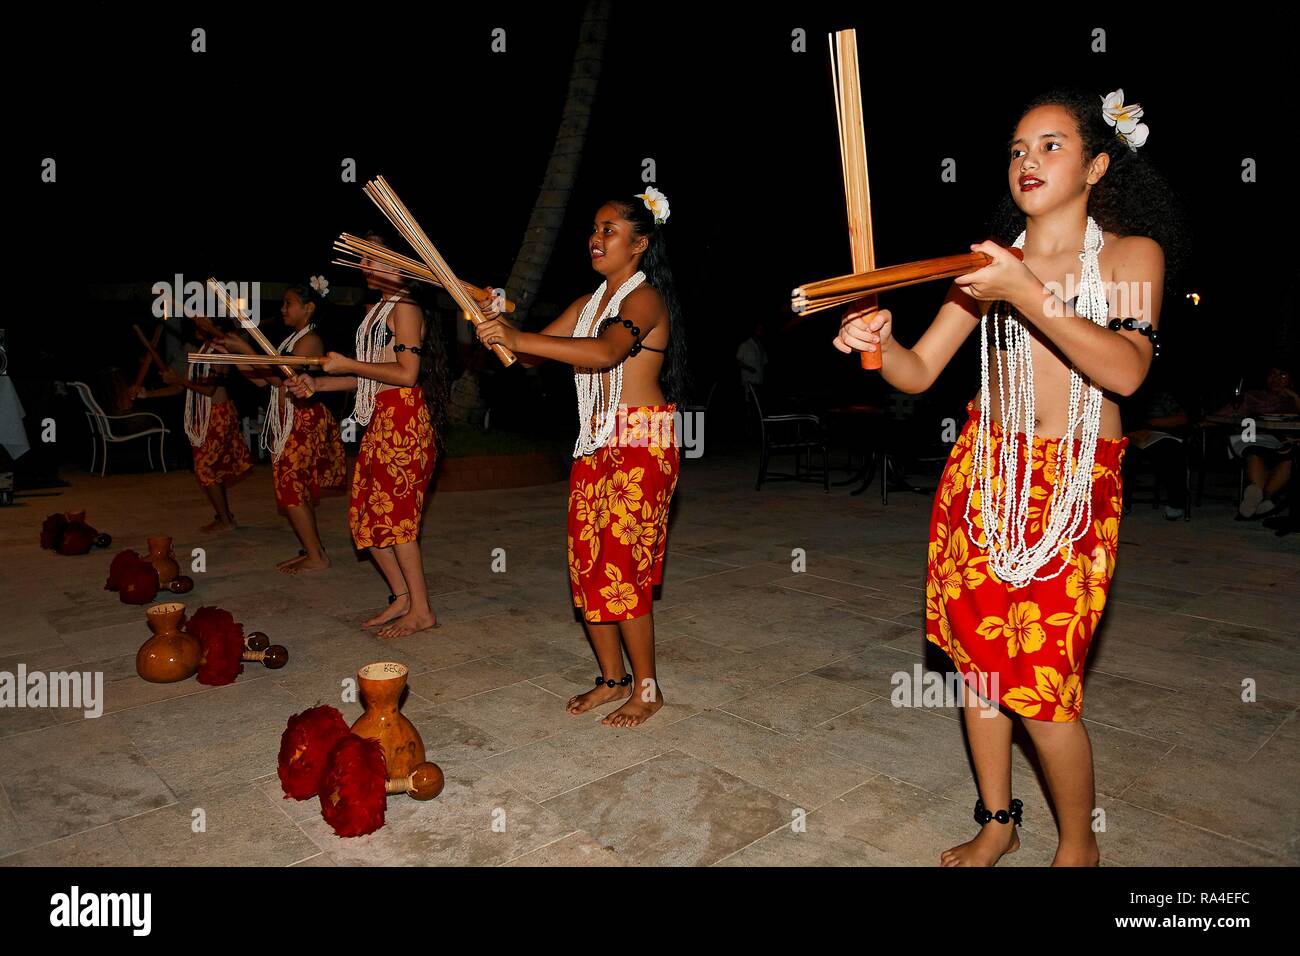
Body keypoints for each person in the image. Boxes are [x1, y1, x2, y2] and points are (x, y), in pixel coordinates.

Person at [836, 88, 1179, 866]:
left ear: (1097, 164)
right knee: (981, 670)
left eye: (1051, 146)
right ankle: (999, 819)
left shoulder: (1131, 256)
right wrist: (877, 341)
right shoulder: (986, 265)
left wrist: (1025, 290)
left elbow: (1126, 371)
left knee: (1045, 687)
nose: (1028, 161)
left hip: (1075, 483)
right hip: (983, 476)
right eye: (1019, 149)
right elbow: (919, 371)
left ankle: (1077, 845)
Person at [474, 188, 688, 728]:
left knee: (623, 568)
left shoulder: (645, 299)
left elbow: (606, 352)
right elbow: (525, 356)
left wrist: (520, 336)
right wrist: (497, 326)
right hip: (594, 441)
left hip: (640, 443)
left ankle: (647, 688)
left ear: (639, 243)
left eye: (609, 230)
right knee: (589, 566)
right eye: (594, 229)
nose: (596, 238)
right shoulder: (588, 303)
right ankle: (612, 678)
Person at [286, 239, 451, 638]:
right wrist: (319, 383)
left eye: (370, 257)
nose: (362, 264)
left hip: (404, 422)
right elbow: (370, 374)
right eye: (361, 258)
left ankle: (422, 609)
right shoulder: (379, 310)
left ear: (398, 263)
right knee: (366, 519)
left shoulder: (406, 308)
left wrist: (347, 362)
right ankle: (401, 597)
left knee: (397, 522)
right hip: (381, 422)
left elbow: (406, 374)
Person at [219, 279, 346, 572]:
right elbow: (262, 379)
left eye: (289, 303)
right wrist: (238, 354)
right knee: (293, 489)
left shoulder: (310, 341)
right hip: (289, 421)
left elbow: (283, 378)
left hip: (302, 420)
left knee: (291, 490)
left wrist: (245, 347)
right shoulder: (292, 340)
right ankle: (313, 549)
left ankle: (317, 556)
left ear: (308, 308)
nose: (283, 308)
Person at [174, 330, 252, 531]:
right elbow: (182, 387)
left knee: (205, 469)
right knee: (210, 470)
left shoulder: (220, 350)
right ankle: (224, 516)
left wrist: (177, 379)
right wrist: (147, 394)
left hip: (218, 415)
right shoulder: (202, 349)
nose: (195, 325)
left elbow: (209, 390)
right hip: (204, 416)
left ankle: (226, 520)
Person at [1213, 365, 1299, 518]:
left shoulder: (1293, 400)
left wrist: (1295, 398)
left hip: (1285, 441)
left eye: (1283, 375)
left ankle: (1260, 497)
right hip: (1253, 438)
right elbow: (1226, 414)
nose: (1276, 379)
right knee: (1254, 449)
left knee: (1291, 457)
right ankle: (1261, 499)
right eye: (1272, 374)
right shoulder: (1253, 396)